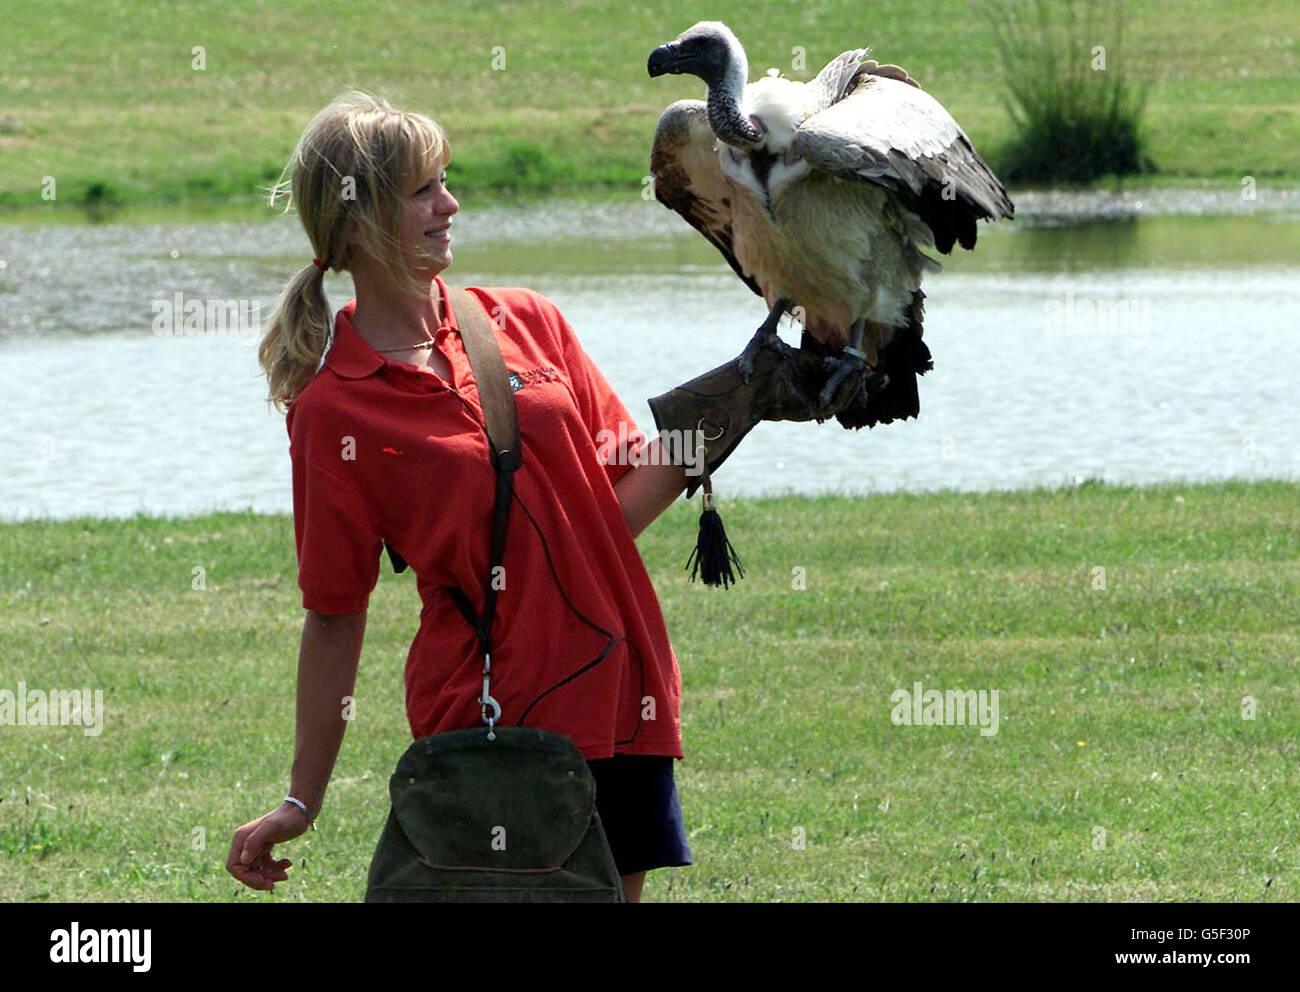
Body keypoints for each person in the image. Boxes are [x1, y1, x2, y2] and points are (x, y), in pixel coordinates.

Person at [226, 91, 841, 903]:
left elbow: (610, 506)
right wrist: (301, 798)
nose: (450, 205)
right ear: (358, 218)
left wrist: (744, 394)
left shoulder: (522, 320)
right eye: (422, 191)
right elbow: (336, 611)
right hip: (496, 720)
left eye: (445, 181)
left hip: (621, 685)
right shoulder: (334, 405)